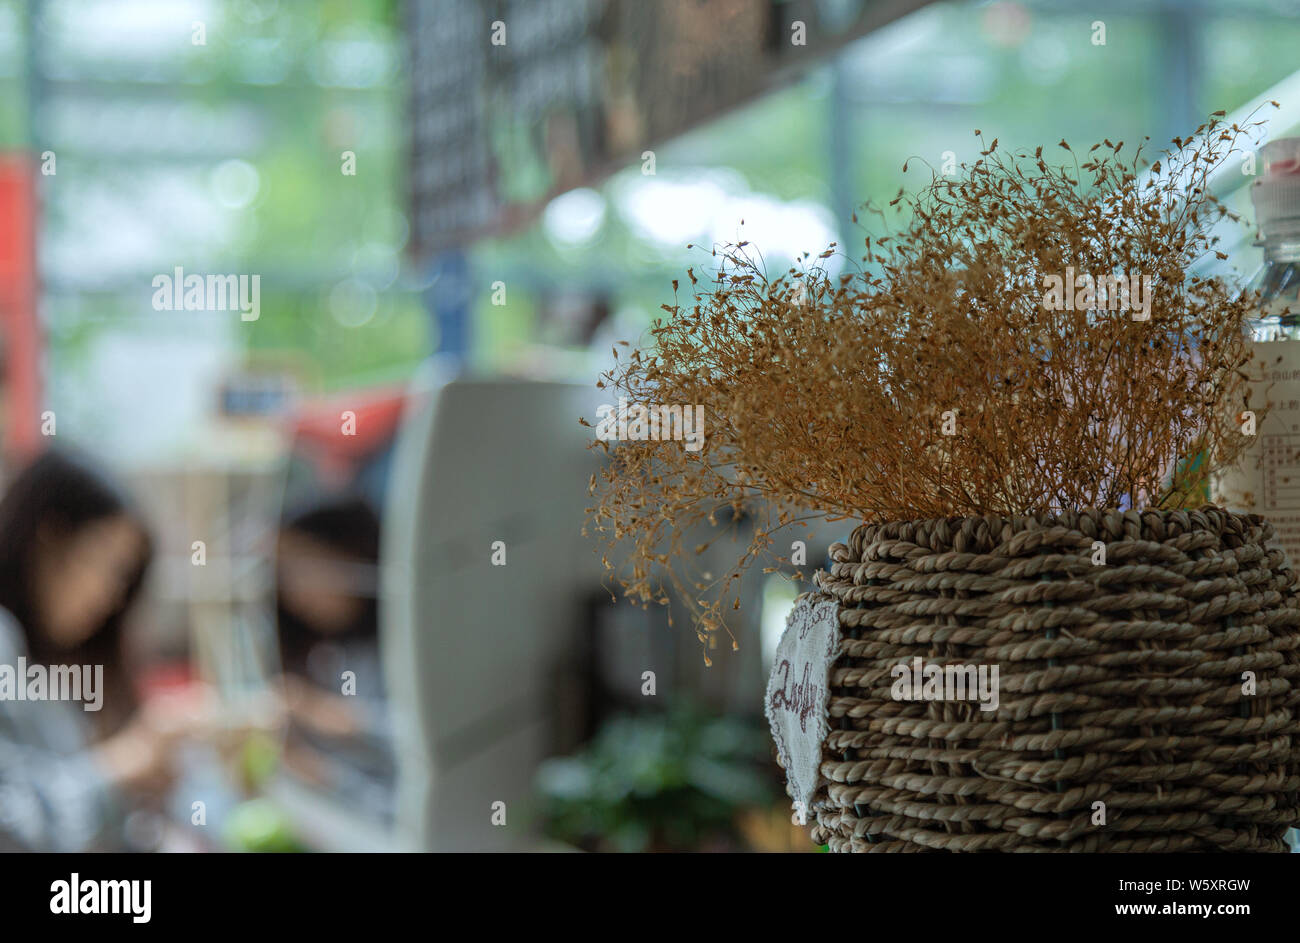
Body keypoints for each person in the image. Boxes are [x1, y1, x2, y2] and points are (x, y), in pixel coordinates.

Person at [0, 449, 211, 851]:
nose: (109, 596)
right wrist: (124, 764)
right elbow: (9, 825)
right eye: (105, 564)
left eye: (123, 578)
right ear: (49, 535)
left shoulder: (45, 660)